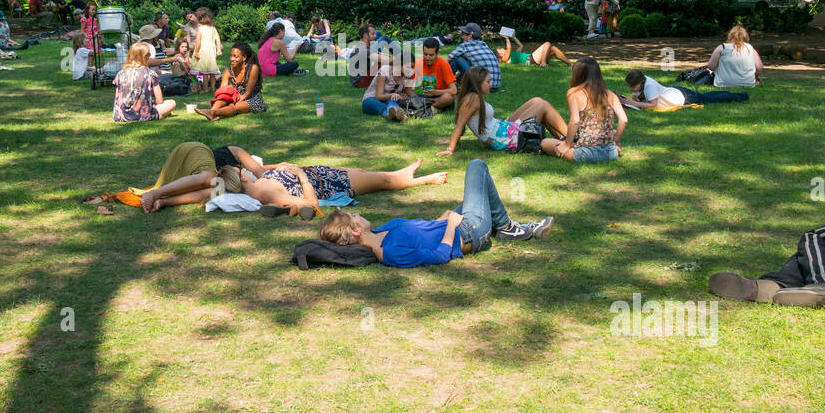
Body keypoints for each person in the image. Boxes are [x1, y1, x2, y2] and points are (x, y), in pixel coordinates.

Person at [318, 159, 553, 267]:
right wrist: (451, 225)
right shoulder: (390, 252)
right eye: (354, 217)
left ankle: (506, 226)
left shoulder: (380, 232)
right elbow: (439, 256)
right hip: (468, 233)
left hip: (452, 224)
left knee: (478, 191)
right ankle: (507, 228)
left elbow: (421, 232)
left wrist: (441, 219)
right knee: (476, 167)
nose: (358, 215)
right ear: (356, 231)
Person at [245, 157, 451, 217]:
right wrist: (299, 174)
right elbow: (311, 204)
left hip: (319, 172)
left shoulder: (259, 178)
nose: (243, 171)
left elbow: (263, 167)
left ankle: (402, 174)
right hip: (330, 184)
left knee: (362, 172)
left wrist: (280, 166)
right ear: (241, 181)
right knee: (382, 182)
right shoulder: (266, 192)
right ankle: (422, 180)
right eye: (239, 173)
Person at [439, 66, 567, 155]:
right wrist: (450, 148)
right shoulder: (472, 100)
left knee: (536, 100)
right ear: (478, 84)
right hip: (505, 138)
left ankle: (562, 138)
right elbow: (459, 125)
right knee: (543, 105)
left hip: (503, 128)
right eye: (488, 81)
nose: (491, 84)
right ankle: (572, 138)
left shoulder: (474, 97)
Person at [540, 57, 627, 162]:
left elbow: (575, 121)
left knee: (544, 142)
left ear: (577, 75)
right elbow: (624, 120)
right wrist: (616, 142)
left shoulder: (574, 93)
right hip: (611, 153)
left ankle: (567, 144)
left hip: (586, 153)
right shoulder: (610, 94)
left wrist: (567, 144)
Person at [138, 143, 254, 211]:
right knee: (211, 177)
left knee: (215, 189)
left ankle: (161, 197)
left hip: (186, 175)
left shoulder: (224, 186)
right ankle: (155, 193)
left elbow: (202, 194)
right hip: (196, 152)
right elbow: (260, 171)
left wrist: (165, 202)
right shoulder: (235, 153)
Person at [193, 41, 263, 120]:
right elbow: (223, 91)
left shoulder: (253, 68)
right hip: (236, 97)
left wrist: (233, 102)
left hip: (252, 98)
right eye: (231, 56)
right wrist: (226, 100)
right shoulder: (228, 70)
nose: (232, 59)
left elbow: (247, 93)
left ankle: (213, 113)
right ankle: (211, 111)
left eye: (235, 56)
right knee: (224, 94)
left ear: (244, 57)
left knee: (235, 107)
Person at [112, 41, 176, 121]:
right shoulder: (150, 74)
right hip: (143, 115)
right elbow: (159, 101)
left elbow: (119, 98)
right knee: (172, 102)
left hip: (120, 116)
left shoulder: (120, 74)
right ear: (145, 56)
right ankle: (160, 114)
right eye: (148, 54)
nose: (150, 56)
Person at [620, 69, 748, 108]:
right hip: (676, 92)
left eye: (632, 87)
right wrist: (630, 101)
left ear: (640, 82)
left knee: (710, 99)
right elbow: (639, 99)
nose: (631, 89)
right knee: (708, 96)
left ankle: (741, 96)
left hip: (682, 97)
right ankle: (734, 94)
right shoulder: (641, 82)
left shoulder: (650, 86)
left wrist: (633, 102)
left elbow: (653, 105)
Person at [448, 23, 502, 91]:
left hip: (479, 86)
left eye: (463, 34)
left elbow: (448, 59)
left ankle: (445, 83)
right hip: (494, 87)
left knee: (457, 59)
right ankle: (456, 82)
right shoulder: (484, 45)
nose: (462, 37)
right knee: (466, 60)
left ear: (470, 36)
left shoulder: (466, 45)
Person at [362, 52, 414, 121]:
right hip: (372, 98)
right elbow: (378, 96)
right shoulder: (385, 70)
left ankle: (398, 114)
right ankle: (388, 114)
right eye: (408, 67)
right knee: (372, 103)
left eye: (412, 67)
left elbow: (407, 93)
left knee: (392, 102)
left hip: (389, 100)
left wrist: (403, 96)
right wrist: (392, 95)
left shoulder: (407, 75)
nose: (410, 70)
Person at [412, 38, 458, 111]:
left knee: (448, 97)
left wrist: (435, 92)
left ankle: (425, 109)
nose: (427, 58)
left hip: (442, 97)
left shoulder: (443, 64)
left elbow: (453, 90)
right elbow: (408, 88)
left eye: (431, 55)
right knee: (405, 97)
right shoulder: (419, 63)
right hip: (427, 97)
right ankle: (431, 109)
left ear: (437, 53)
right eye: (425, 54)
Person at [189, 7, 222, 94]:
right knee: (211, 71)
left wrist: (196, 52)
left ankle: (206, 88)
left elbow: (198, 41)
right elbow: (217, 39)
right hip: (211, 51)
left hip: (203, 51)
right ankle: (212, 88)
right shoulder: (213, 28)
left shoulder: (200, 29)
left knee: (204, 72)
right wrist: (218, 49)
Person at [496, 32, 571, 67]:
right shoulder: (505, 59)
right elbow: (509, 47)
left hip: (533, 59)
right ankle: (543, 63)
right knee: (547, 44)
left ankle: (570, 64)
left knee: (554, 49)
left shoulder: (513, 55)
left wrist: (514, 37)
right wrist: (506, 38)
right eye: (499, 49)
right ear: (500, 56)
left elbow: (521, 46)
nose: (501, 48)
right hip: (531, 59)